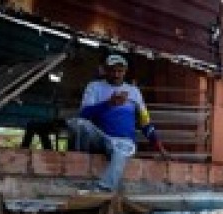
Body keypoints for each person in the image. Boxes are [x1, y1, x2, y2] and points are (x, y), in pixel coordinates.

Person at [67, 54, 167, 191]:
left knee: (121, 152)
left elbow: (145, 122)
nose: (116, 74)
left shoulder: (134, 92)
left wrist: (158, 145)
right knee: (77, 124)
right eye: (112, 70)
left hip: (123, 141)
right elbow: (84, 114)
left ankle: (103, 189)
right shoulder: (95, 87)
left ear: (125, 72)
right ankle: (79, 167)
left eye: (120, 71)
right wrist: (109, 103)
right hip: (101, 138)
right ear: (105, 70)